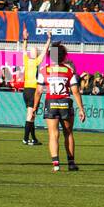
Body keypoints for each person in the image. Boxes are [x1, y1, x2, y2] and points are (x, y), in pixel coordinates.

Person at [35, 43, 85, 173]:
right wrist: (81, 109)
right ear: (63, 56)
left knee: (53, 134)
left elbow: (39, 91)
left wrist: (34, 107)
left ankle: (56, 164)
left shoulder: (44, 70)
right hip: (65, 103)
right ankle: (71, 163)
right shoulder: (69, 71)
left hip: (51, 103)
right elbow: (75, 91)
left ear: (50, 56)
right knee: (68, 133)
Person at [19, 33, 49, 147]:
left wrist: (25, 39)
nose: (36, 51)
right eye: (35, 50)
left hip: (26, 90)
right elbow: (45, 50)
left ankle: (34, 138)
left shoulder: (26, 60)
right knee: (30, 115)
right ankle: (25, 139)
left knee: (32, 115)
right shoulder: (36, 61)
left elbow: (23, 49)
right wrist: (49, 39)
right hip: (32, 90)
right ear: (35, 53)